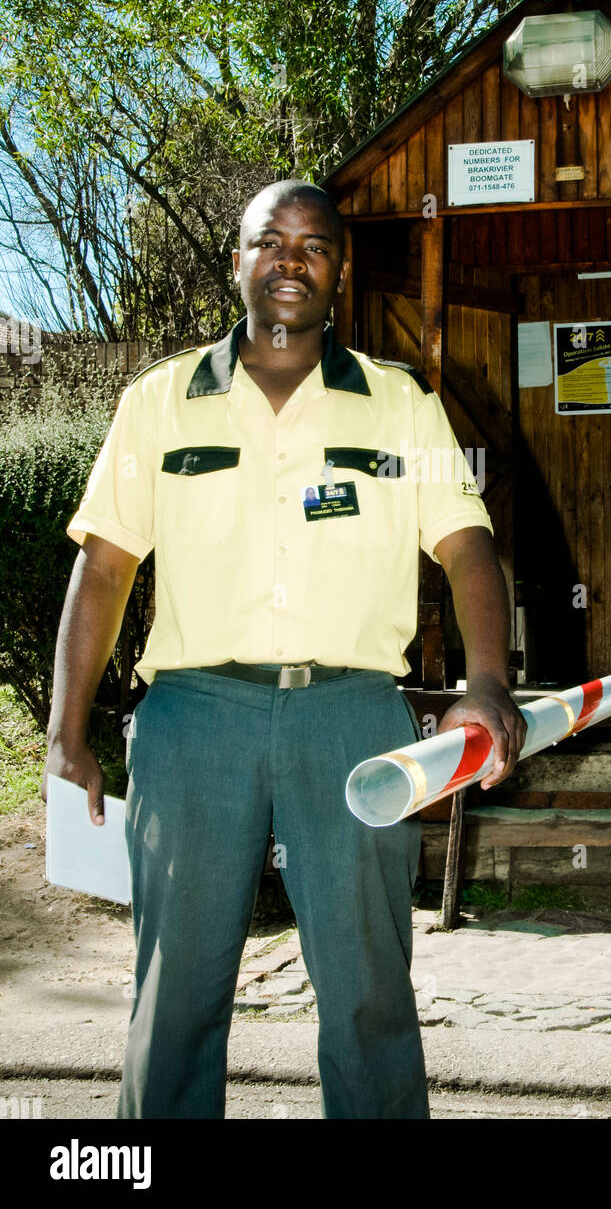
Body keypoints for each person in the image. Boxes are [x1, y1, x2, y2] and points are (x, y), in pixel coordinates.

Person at [42, 178, 527, 1120]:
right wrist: (67, 734)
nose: (290, 259)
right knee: (175, 993)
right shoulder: (159, 402)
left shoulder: (400, 406)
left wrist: (487, 682)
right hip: (193, 725)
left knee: (367, 990)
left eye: (313, 244)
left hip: (351, 721)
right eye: (271, 240)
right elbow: (102, 572)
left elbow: (468, 547)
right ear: (238, 262)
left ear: (339, 271)